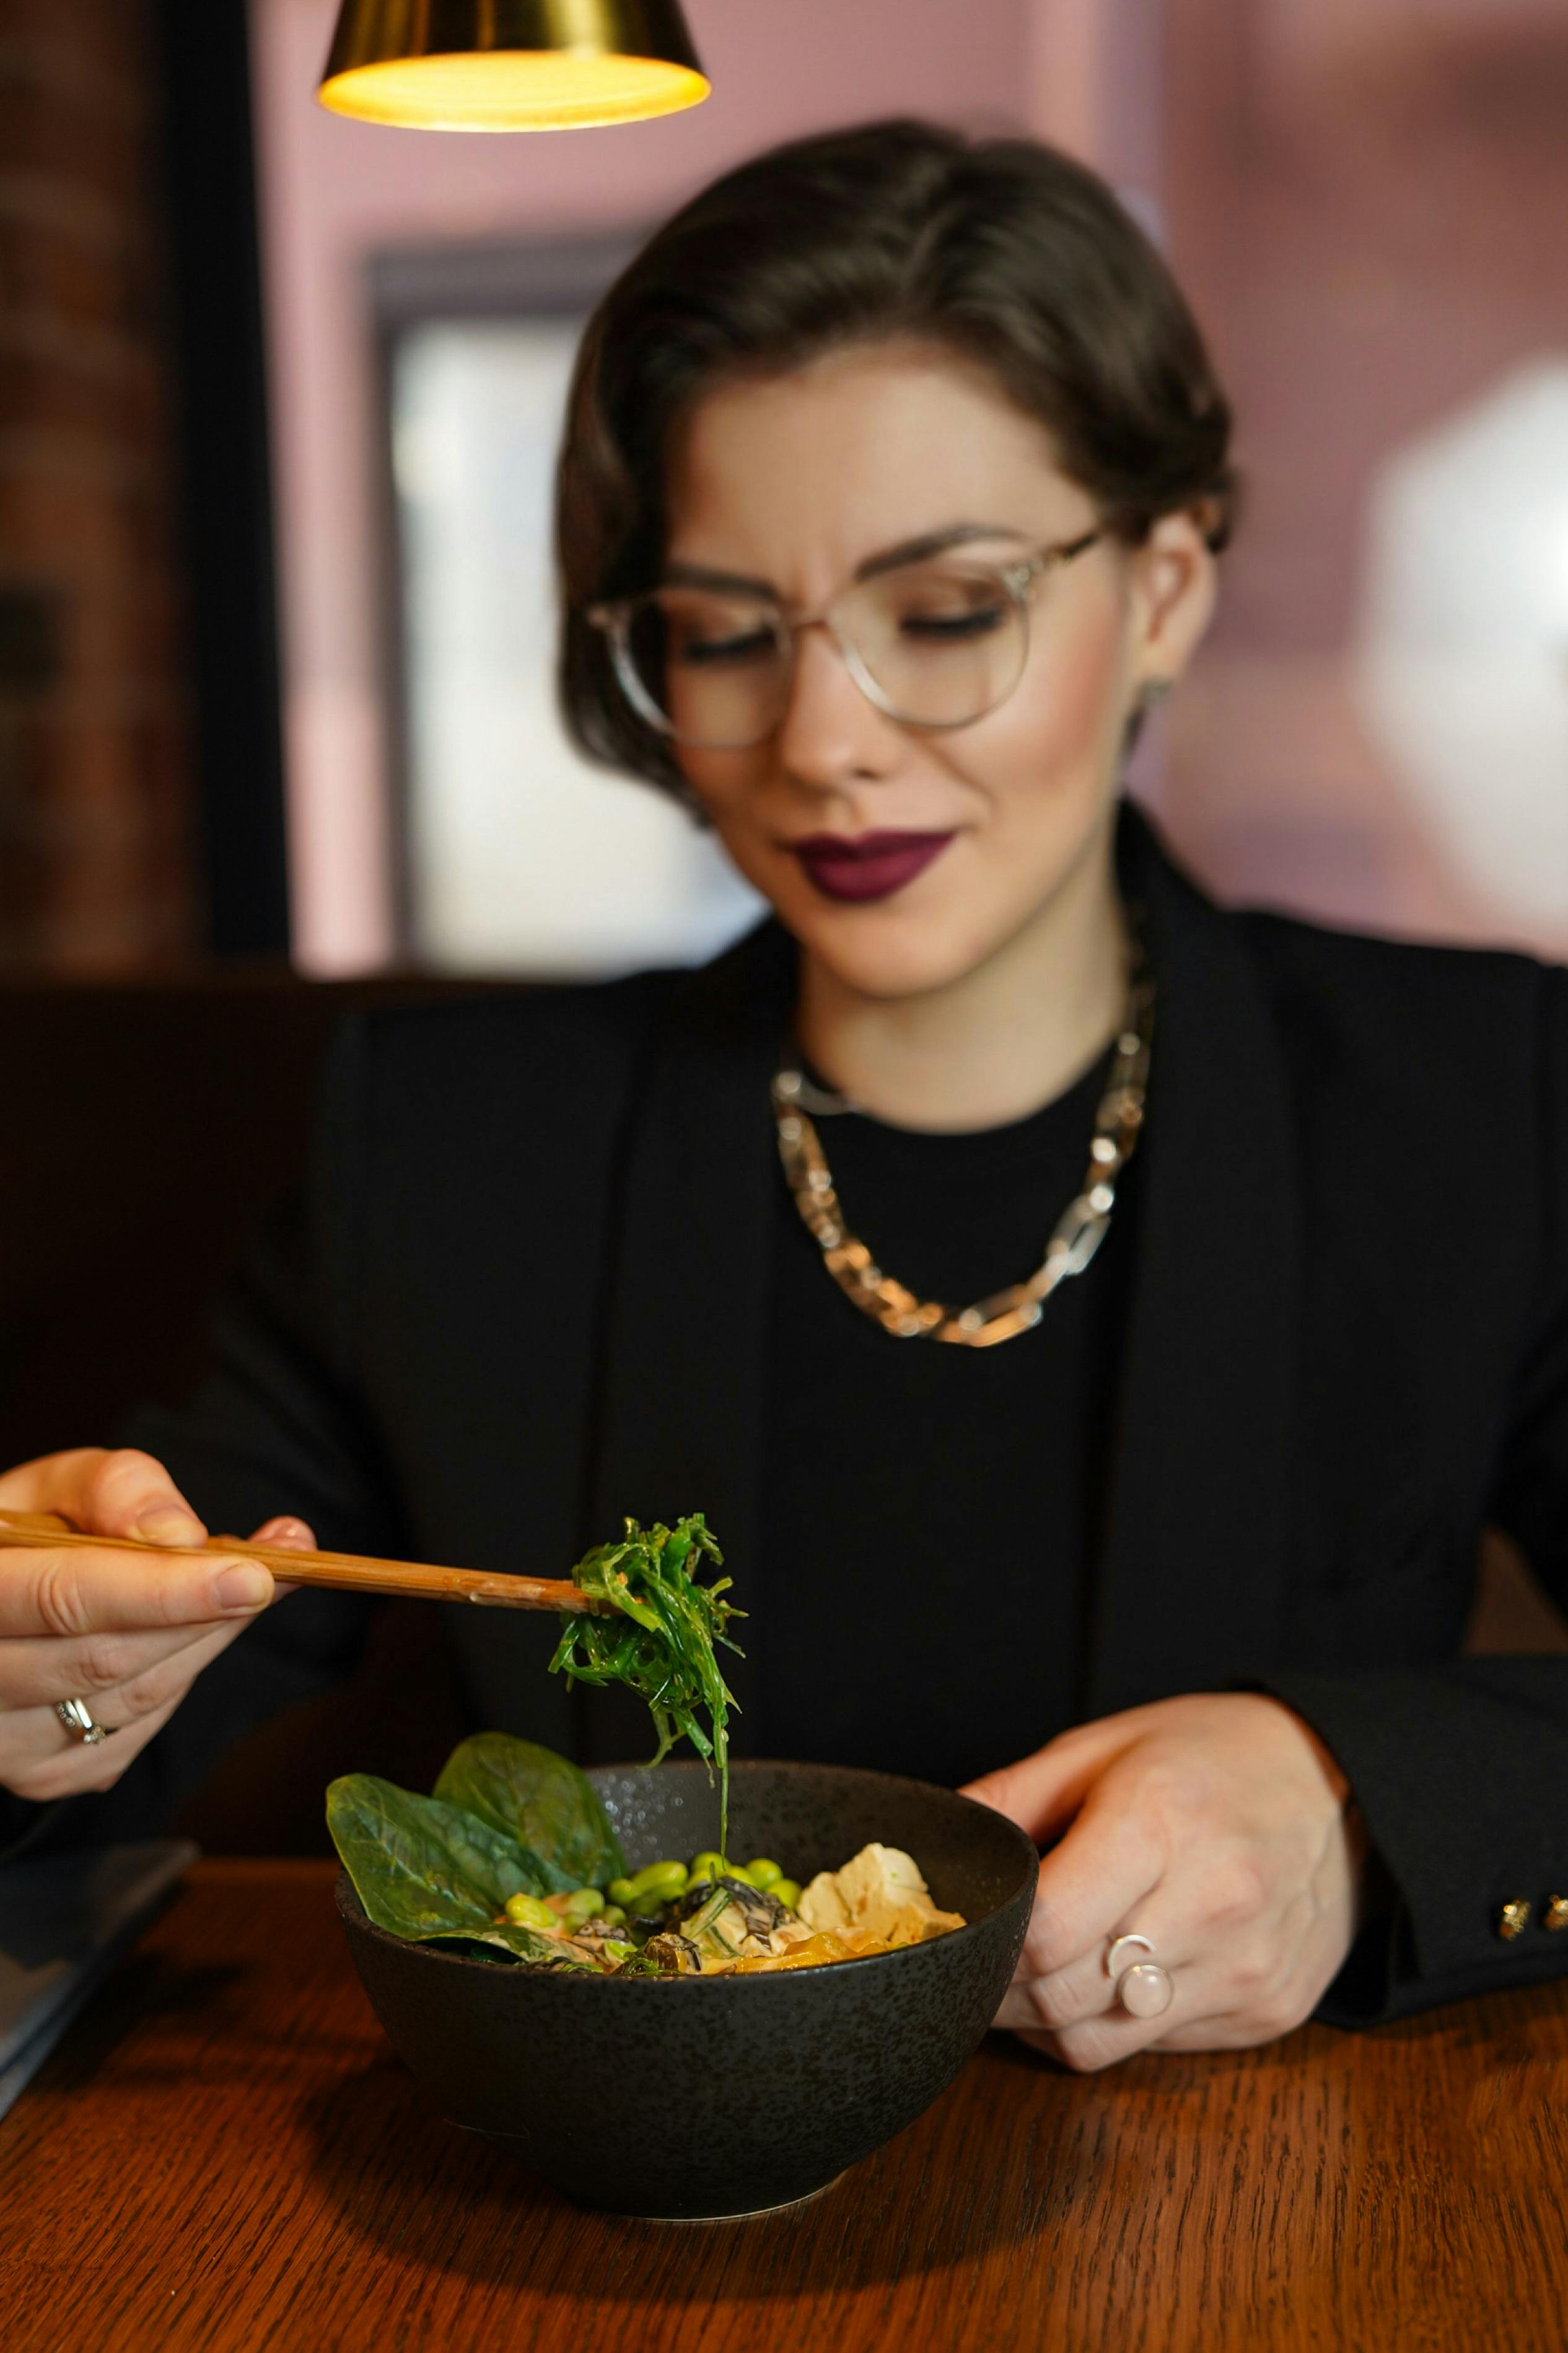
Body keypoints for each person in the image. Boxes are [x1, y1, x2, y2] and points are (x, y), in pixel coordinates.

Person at [2, 121, 1565, 2069]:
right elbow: (118, 1666)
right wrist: (45, 1691)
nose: (825, 743)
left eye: (947, 612)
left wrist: (1355, 1794)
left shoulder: (1470, 1103)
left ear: (1161, 586)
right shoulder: (457, 1147)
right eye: (728, 636)